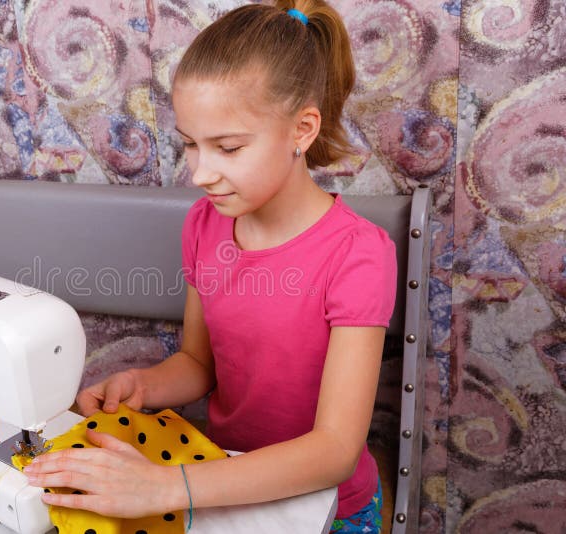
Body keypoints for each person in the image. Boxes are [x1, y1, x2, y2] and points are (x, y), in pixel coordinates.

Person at [24, 1, 397, 531]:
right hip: (221, 475)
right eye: (192, 145)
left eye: (227, 147)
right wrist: (142, 386)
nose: (199, 172)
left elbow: (335, 450)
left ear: (302, 130)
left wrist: (160, 488)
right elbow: (199, 365)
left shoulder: (360, 254)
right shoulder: (204, 224)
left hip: (326, 505)